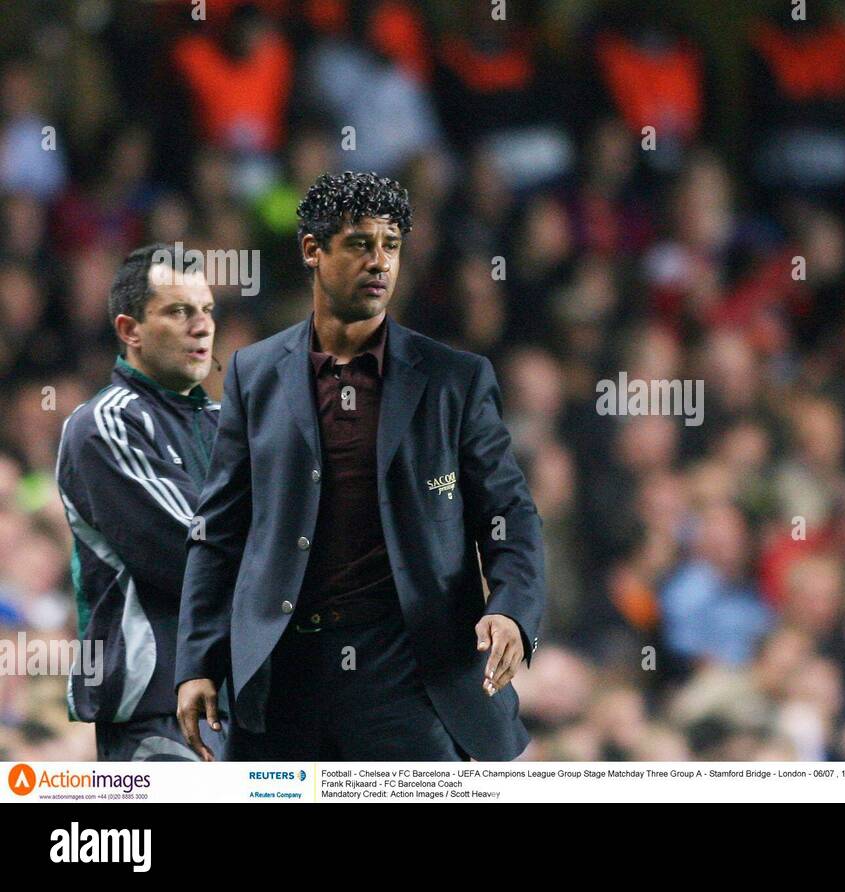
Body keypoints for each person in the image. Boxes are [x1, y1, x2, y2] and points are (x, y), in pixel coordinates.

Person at [175, 171, 545, 761]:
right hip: (283, 673)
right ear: (311, 251)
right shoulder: (253, 373)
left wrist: (510, 609)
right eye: (359, 244)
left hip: (408, 672)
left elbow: (509, 513)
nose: (380, 262)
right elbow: (218, 531)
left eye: (391, 245)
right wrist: (197, 661)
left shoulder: (455, 379)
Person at [55, 243, 224, 761]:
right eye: (178, 312)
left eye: (207, 311)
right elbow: (194, 551)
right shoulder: (105, 426)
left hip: (243, 700)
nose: (201, 327)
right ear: (130, 331)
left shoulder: (229, 424)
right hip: (159, 710)